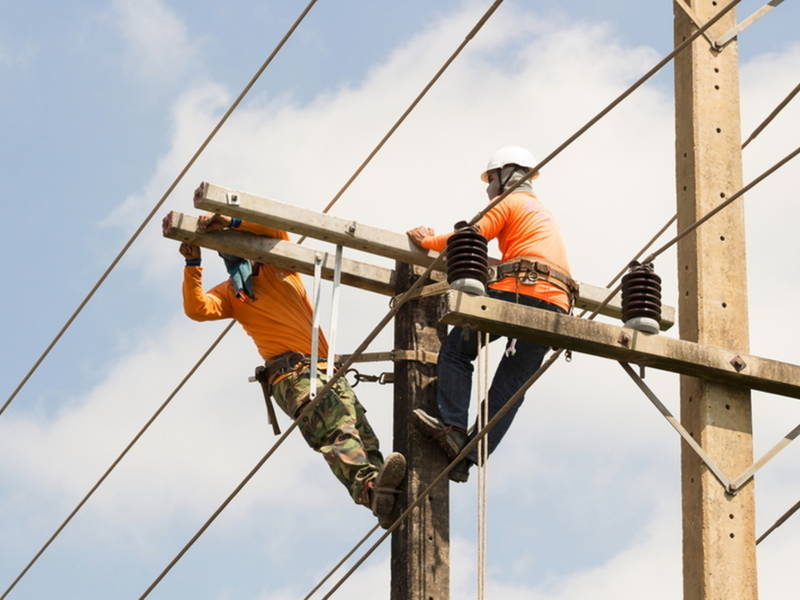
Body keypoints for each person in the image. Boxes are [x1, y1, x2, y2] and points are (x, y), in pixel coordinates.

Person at [167, 210, 405, 526]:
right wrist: (193, 265)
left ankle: (382, 497)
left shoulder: (278, 258)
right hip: (292, 375)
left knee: (363, 435)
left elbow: (272, 224)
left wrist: (229, 220)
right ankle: (370, 488)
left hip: (326, 371)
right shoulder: (234, 292)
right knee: (338, 430)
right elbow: (197, 309)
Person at [406, 146, 576, 482]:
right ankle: (468, 458)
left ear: (506, 175)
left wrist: (427, 241)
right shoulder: (542, 213)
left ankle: (452, 425)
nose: (488, 188)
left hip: (521, 292)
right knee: (512, 387)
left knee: (456, 351)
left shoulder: (510, 202)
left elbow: (469, 237)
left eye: (491, 179)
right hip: (557, 304)